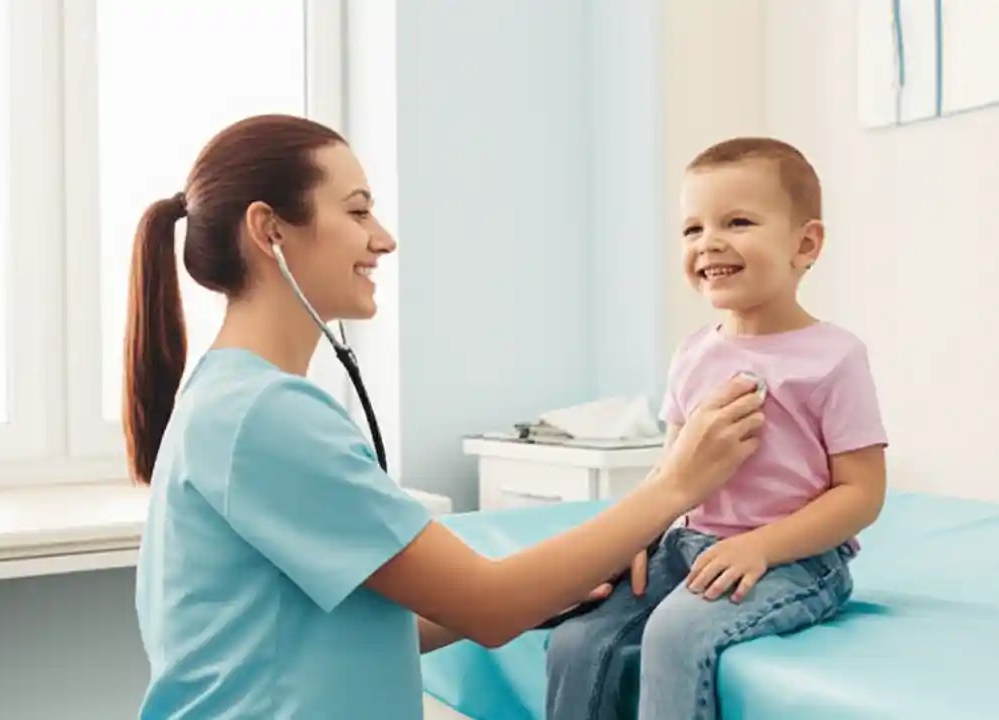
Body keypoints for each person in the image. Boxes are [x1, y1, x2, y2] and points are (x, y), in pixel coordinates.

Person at [126, 114, 767, 719]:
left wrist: (554, 585)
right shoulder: (263, 416)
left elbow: (364, 625)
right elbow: (487, 606)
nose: (383, 237)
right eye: (357, 211)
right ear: (270, 230)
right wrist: (674, 487)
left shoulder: (228, 399)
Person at [545, 138, 889, 720]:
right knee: (577, 640)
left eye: (737, 221)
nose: (709, 242)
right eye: (691, 229)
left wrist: (761, 544)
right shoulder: (692, 353)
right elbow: (671, 468)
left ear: (805, 244)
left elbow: (863, 493)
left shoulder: (835, 357)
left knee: (676, 634)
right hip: (689, 546)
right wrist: (640, 534)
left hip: (796, 558)